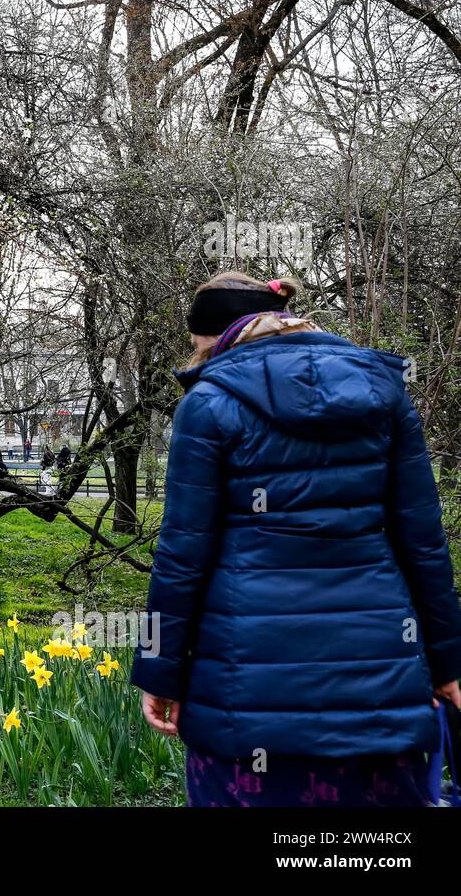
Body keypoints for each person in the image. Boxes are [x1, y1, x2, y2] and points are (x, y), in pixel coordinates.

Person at [133, 271, 461, 807]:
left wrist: (159, 667)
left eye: (199, 347)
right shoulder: (384, 392)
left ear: (219, 337)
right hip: (377, 680)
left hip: (246, 685)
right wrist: (448, 665)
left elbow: (180, 555)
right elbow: (424, 544)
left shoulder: (210, 401)